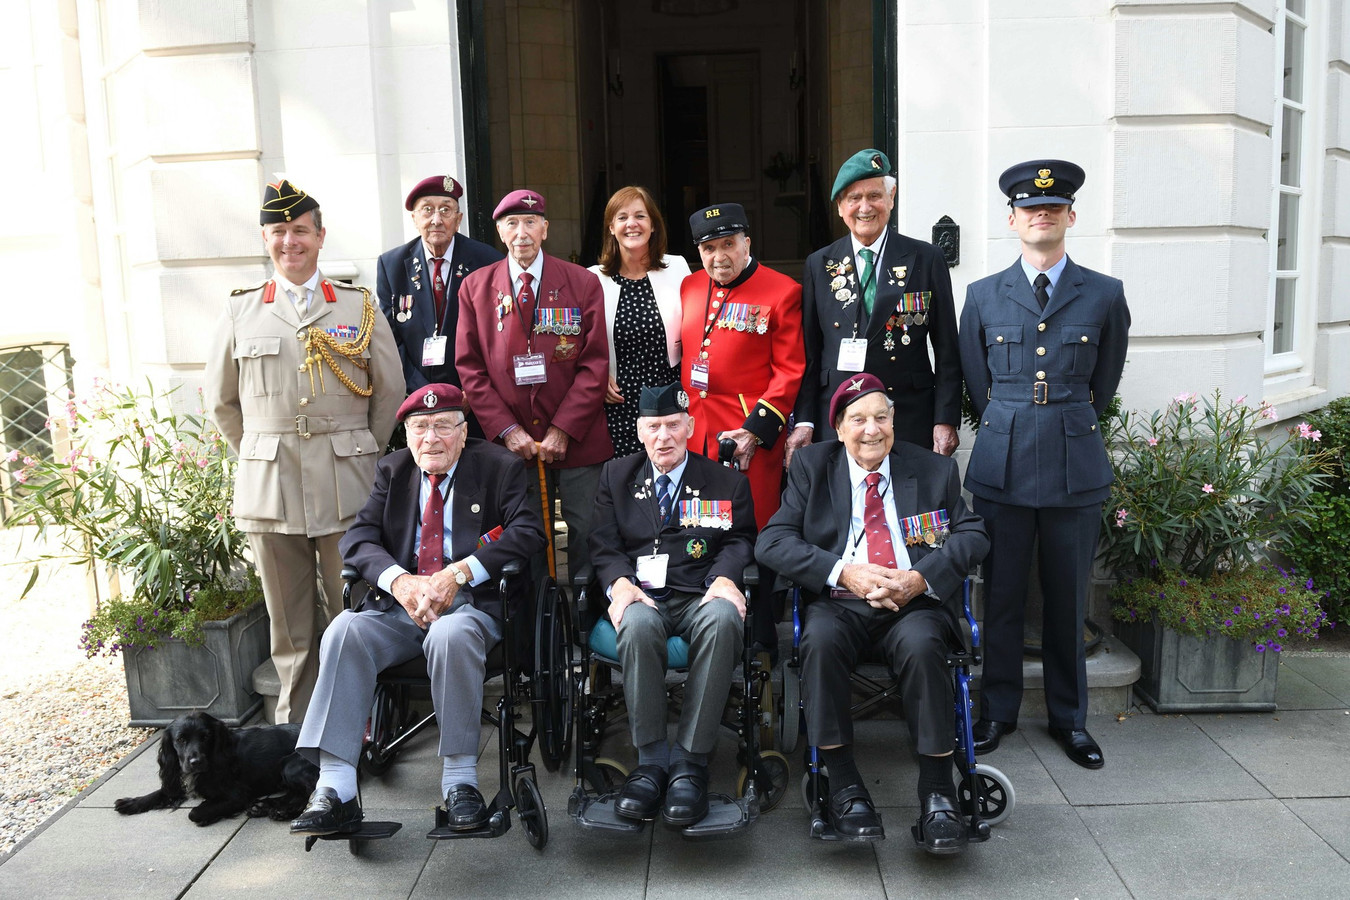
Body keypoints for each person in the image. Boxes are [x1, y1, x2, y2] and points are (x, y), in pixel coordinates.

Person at [290, 384, 545, 836]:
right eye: (420, 428)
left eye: (443, 426)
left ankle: (460, 782)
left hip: (469, 607)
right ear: (406, 436)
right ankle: (336, 788)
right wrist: (400, 581)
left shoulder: (498, 467)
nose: (431, 438)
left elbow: (527, 532)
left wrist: (458, 574)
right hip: (399, 610)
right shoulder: (392, 471)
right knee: (343, 630)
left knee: (451, 634)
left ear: (463, 433)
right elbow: (357, 540)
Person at [756, 375, 989, 854]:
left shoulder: (933, 470)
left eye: (881, 417)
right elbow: (772, 541)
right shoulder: (811, 467)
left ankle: (938, 793)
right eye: (857, 419)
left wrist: (920, 578)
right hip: (839, 604)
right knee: (817, 643)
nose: (871, 429)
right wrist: (844, 574)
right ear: (838, 428)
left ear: (893, 422)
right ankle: (843, 787)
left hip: (912, 605)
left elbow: (974, 535)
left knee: (926, 646)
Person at [205, 179, 402, 724]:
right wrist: (261, 451)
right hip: (271, 490)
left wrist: (360, 450)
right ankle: (294, 733)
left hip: (347, 483)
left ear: (319, 237)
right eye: (278, 232)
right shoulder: (241, 312)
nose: (288, 242)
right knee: (288, 625)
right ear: (265, 239)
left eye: (299, 231)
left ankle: (360, 725)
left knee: (354, 614)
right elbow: (223, 402)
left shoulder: (358, 306)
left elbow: (389, 392)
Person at [959, 160, 1130, 770]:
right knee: (1000, 594)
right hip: (1002, 462)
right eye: (1031, 208)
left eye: (1054, 208)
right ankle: (997, 710)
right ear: (1012, 219)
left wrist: (1061, 418)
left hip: (1072, 462)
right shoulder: (981, 296)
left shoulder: (1104, 294)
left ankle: (1069, 719)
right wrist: (1011, 419)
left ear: (1070, 217)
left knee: (1066, 597)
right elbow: (978, 386)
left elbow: (1103, 383)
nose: (1042, 215)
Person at [588, 383, 755, 826]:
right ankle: (651, 762)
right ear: (640, 431)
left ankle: (690, 762)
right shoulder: (616, 476)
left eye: (672, 426)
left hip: (702, 593)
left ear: (690, 426)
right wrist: (619, 584)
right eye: (653, 427)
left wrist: (724, 578)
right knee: (638, 624)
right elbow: (602, 544)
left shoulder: (726, 481)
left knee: (723, 618)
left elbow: (740, 540)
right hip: (642, 594)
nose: (663, 437)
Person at [456, 189, 612, 580]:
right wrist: (508, 431)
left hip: (578, 440)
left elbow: (594, 363)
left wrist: (563, 429)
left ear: (545, 229)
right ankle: (537, 630)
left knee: (589, 534)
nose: (521, 232)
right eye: (512, 223)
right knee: (523, 538)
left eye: (530, 222)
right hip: (513, 446)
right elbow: (470, 368)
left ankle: (586, 623)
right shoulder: (475, 288)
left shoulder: (581, 282)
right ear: (499, 232)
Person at [786, 149, 961, 465]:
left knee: (908, 507)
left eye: (874, 196)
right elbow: (809, 354)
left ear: (891, 199)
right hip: (838, 418)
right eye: (853, 198)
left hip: (907, 415)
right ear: (840, 207)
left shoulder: (926, 258)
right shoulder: (818, 264)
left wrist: (945, 419)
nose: (864, 207)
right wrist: (805, 420)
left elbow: (948, 350)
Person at [678, 202, 803, 530]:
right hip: (695, 437)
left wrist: (753, 432)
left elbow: (790, 371)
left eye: (728, 244)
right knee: (700, 530)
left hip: (747, 437)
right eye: (708, 248)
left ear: (747, 243)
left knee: (752, 528)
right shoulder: (689, 287)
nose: (719, 257)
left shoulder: (783, 291)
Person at [375, 176, 503, 430]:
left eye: (445, 210)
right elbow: (390, 339)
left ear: (459, 219)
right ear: (414, 218)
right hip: (416, 399)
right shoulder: (392, 265)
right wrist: (421, 391)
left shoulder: (488, 260)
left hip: (475, 401)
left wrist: (472, 389)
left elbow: (497, 334)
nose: (436, 219)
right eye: (427, 210)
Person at [589, 186, 692, 457]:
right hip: (619, 403)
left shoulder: (678, 268)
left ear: (653, 225)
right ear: (611, 227)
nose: (631, 224)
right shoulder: (592, 279)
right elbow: (577, 343)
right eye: (622, 217)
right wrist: (597, 378)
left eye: (640, 216)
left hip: (670, 398)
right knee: (627, 484)